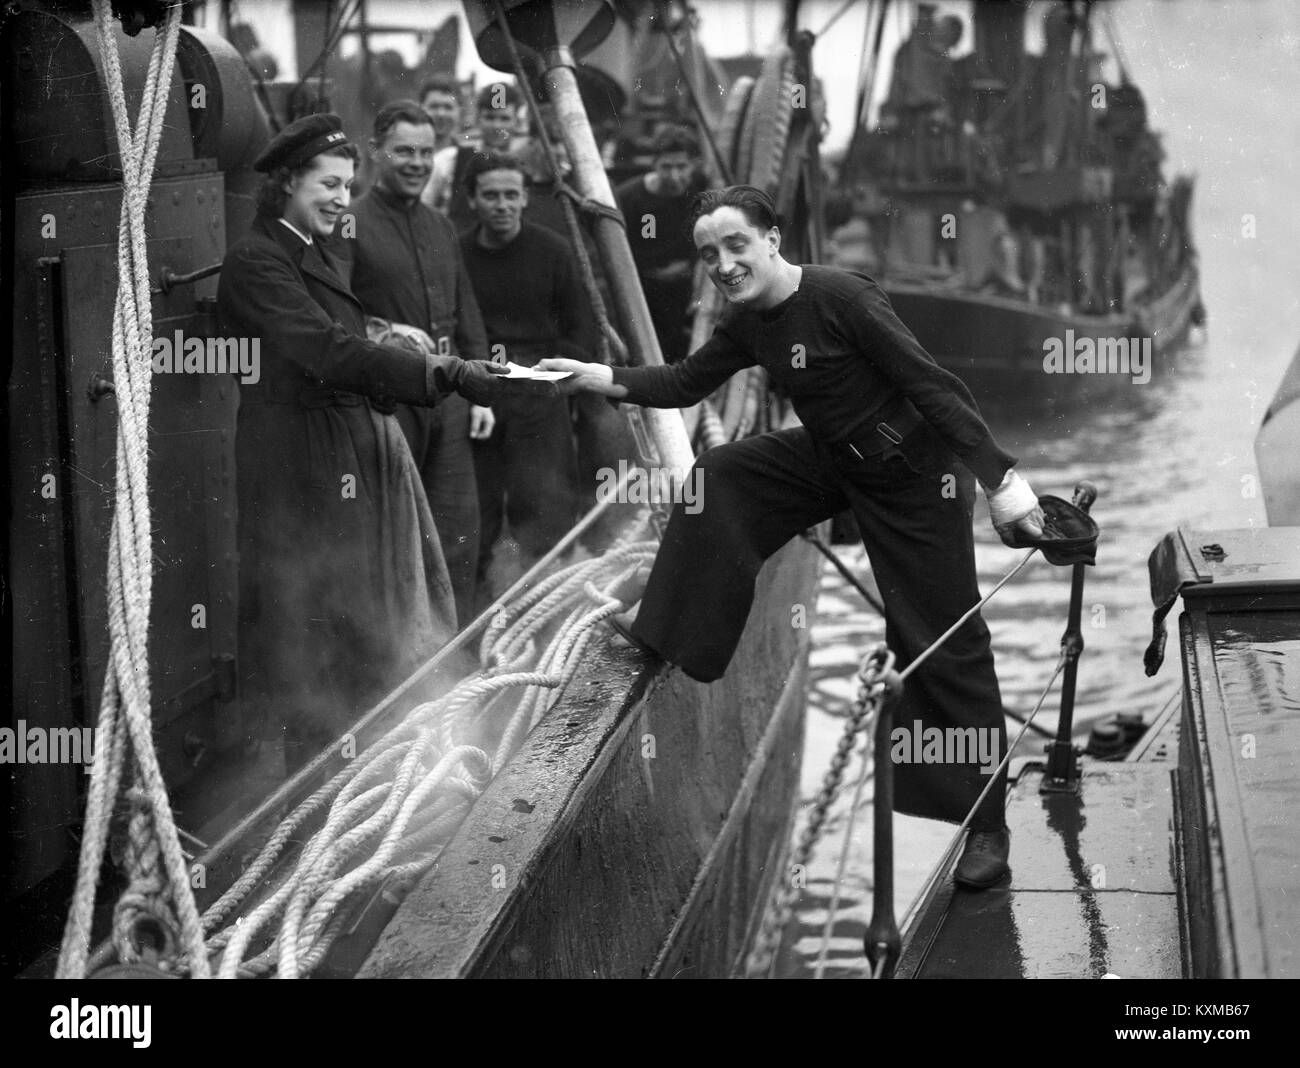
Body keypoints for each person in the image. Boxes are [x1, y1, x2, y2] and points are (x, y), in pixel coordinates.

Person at [539, 185, 1045, 889]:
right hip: (835, 460)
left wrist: (1001, 484)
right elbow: (686, 382)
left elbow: (935, 386)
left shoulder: (844, 298)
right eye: (710, 254)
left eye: (736, 245)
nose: (723, 264)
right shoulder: (748, 321)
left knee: (941, 644)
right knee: (722, 475)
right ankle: (671, 631)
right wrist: (595, 376)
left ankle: (987, 825)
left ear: (773, 238)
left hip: (912, 477)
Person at [217, 113, 505, 771]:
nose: (340, 200)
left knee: (350, 605)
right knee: (304, 618)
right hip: (294, 459)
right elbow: (326, 349)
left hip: (335, 449)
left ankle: (361, 760)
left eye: (347, 187)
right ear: (288, 181)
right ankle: (311, 783)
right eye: (328, 185)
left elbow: (346, 345)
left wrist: (393, 370)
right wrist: (439, 371)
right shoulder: (257, 261)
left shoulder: (308, 253)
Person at [338, 100, 494, 627]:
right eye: (404, 150)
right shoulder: (349, 223)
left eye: (426, 152)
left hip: (449, 398)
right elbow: (334, 316)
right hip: (389, 403)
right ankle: (402, 668)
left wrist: (480, 390)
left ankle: (455, 659)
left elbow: (465, 308)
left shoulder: (441, 225)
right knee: (396, 535)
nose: (417, 163)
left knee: (458, 528)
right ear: (377, 151)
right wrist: (387, 332)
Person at [458, 152, 597, 600]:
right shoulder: (458, 254)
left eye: (512, 195)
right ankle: (478, 621)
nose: (502, 205)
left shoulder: (552, 250)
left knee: (545, 510)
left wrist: (556, 375)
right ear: (473, 200)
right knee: (474, 515)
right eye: (491, 195)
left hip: (539, 396)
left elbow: (581, 329)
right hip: (479, 397)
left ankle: (548, 609)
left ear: (524, 199)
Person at [614, 124, 706, 363]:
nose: (675, 176)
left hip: (686, 296)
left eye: (681, 167)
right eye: (667, 167)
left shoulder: (701, 194)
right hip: (643, 294)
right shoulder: (629, 198)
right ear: (654, 164)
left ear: (694, 165)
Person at [423, 81, 526, 230]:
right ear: (478, 119)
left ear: (516, 121)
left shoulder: (524, 164)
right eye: (490, 118)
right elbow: (423, 207)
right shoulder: (449, 160)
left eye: (504, 119)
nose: (497, 126)